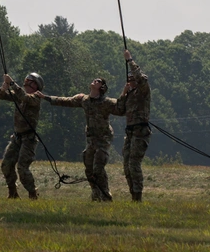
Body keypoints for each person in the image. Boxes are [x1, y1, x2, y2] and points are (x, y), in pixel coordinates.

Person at [42, 76, 124, 202]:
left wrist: (125, 93)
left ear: (102, 87)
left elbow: (121, 109)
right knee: (89, 168)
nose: (95, 81)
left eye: (98, 81)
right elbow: (66, 101)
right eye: (94, 80)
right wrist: (45, 97)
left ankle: (106, 196)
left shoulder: (106, 102)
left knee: (98, 168)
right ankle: (95, 194)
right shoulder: (84, 100)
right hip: (91, 139)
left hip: (103, 139)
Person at [0, 72, 45, 199]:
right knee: (6, 164)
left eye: (29, 81)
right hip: (17, 137)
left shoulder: (36, 98)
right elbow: (1, 96)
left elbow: (25, 97)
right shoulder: (19, 96)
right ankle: (12, 193)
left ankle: (32, 193)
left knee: (22, 168)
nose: (26, 82)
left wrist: (12, 83)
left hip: (28, 139)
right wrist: (4, 87)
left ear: (36, 85)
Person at [117, 49, 152, 201]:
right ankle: (133, 194)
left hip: (140, 131)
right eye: (129, 79)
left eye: (133, 79)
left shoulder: (143, 91)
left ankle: (138, 196)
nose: (130, 81)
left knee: (134, 164)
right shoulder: (130, 95)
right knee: (126, 166)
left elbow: (140, 78)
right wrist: (123, 93)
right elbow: (119, 109)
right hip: (130, 133)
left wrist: (129, 60)